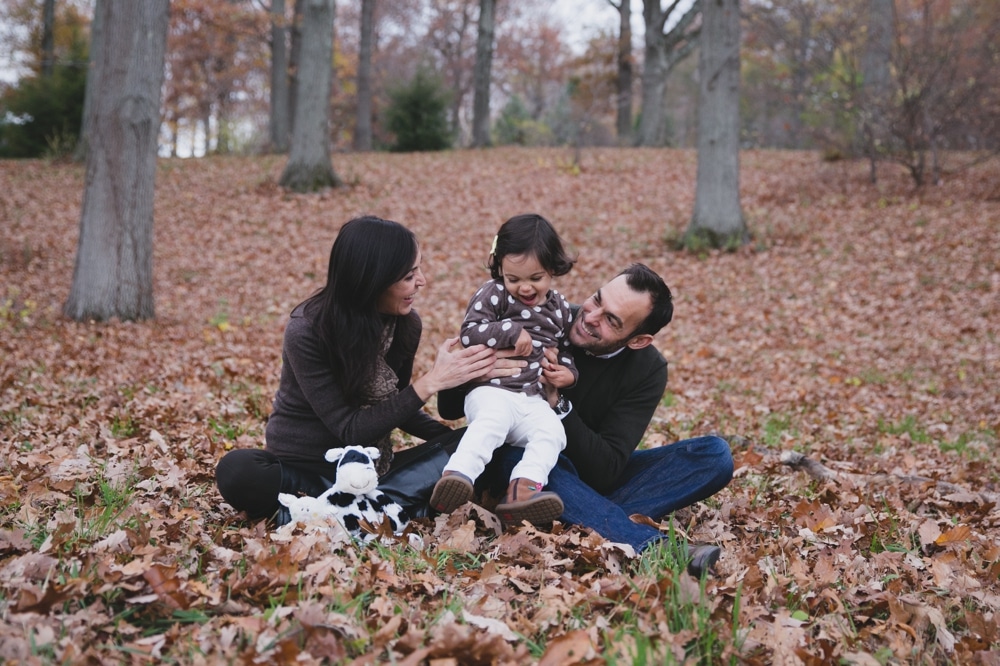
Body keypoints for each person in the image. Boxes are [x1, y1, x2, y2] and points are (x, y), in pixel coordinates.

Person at [382, 263, 734, 569]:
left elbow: (607, 469)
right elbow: (450, 410)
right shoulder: (546, 315)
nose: (590, 318)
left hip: (579, 469)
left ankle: (575, 513)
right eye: (597, 300)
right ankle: (645, 544)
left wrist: (558, 404)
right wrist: (471, 372)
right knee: (523, 456)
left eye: (611, 320)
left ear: (638, 340)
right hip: (521, 464)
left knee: (713, 455)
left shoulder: (647, 369)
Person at [214, 215, 497, 522]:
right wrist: (431, 383)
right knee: (237, 470)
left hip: (371, 470)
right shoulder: (308, 330)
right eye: (408, 275)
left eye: (419, 269)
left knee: (488, 440)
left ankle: (346, 510)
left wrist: (457, 442)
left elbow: (396, 406)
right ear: (372, 280)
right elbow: (350, 429)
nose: (422, 281)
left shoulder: (406, 325)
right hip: (307, 470)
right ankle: (381, 507)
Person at [429, 214, 579, 526]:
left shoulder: (561, 308)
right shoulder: (493, 293)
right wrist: (510, 331)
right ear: (500, 270)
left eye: (535, 278)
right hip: (492, 390)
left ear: (553, 269)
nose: (524, 287)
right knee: (491, 422)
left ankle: (522, 491)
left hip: (533, 399)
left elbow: (564, 349)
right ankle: (457, 476)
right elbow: (470, 332)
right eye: (514, 278)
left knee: (553, 433)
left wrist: (567, 373)